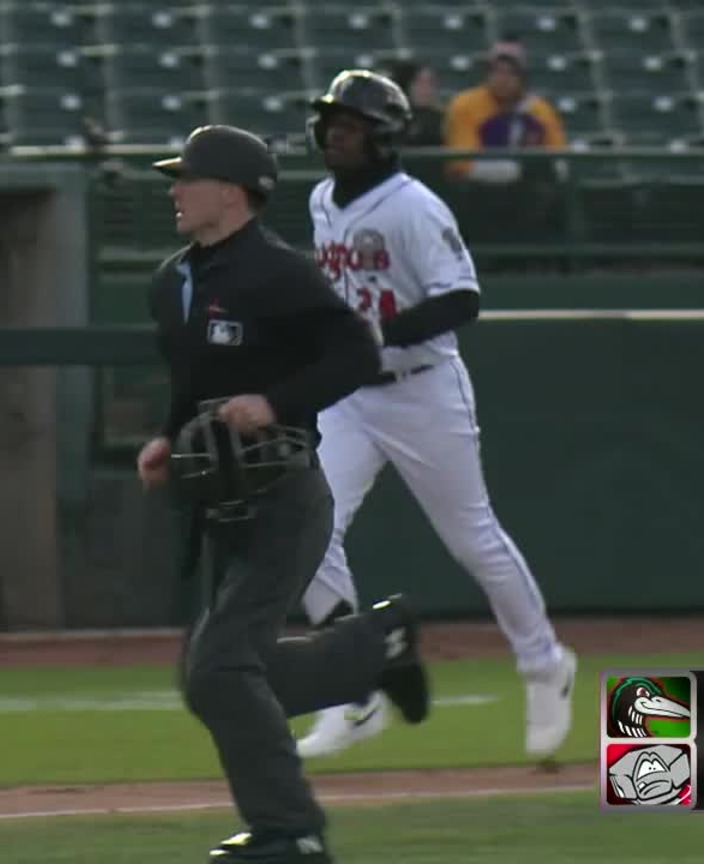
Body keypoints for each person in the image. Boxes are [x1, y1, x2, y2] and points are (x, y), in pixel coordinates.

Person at [139, 123, 432, 863]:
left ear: (233, 194)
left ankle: (291, 833)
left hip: (286, 497)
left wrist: (273, 402)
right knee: (215, 676)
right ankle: (374, 648)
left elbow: (357, 352)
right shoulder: (171, 280)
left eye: (188, 178)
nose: (174, 190)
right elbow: (191, 387)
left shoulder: (280, 273)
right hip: (220, 507)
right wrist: (167, 441)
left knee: (219, 670)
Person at [293, 70, 577, 762]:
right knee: (302, 530)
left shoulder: (413, 207)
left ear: (385, 137)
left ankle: (545, 665)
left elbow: (462, 299)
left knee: (473, 540)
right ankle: (353, 692)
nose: (337, 134)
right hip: (355, 394)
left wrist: (378, 335)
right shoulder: (322, 198)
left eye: (352, 125)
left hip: (423, 389)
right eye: (331, 121)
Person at [443, 38, 568, 185]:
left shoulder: (539, 109)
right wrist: (515, 170)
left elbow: (559, 159)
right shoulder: (465, 105)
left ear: (522, 76)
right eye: (497, 71)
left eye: (511, 72)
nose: (503, 79)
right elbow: (461, 165)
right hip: (477, 190)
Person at [382, 59, 445, 148]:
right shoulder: (393, 118)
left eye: (430, 84)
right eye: (419, 83)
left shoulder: (443, 119)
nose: (425, 90)